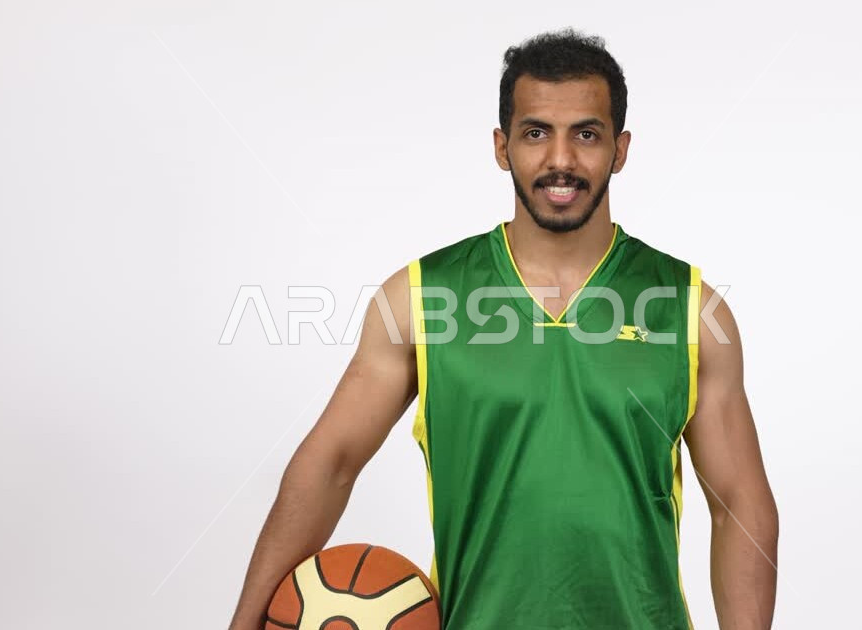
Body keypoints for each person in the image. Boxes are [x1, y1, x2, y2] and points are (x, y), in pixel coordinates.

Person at [228, 28, 778, 629]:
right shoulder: (421, 298)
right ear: (502, 146)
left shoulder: (690, 307)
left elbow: (739, 507)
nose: (561, 161)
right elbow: (329, 464)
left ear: (620, 150)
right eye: (536, 132)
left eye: (586, 135)